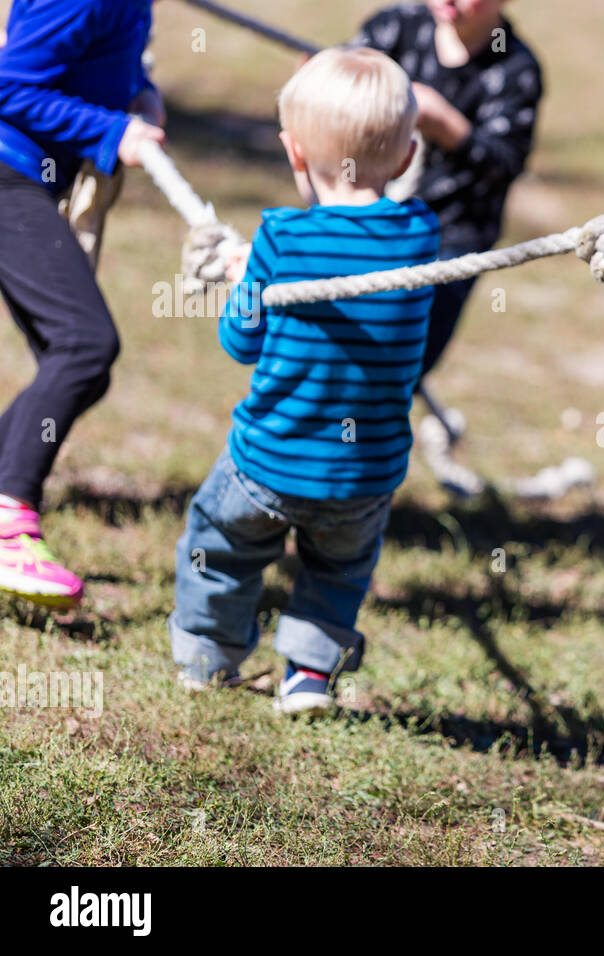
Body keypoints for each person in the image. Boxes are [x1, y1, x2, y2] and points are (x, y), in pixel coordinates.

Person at [168, 47, 442, 715]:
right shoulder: (420, 239)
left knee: (220, 545)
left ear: (294, 154)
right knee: (338, 571)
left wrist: (246, 276)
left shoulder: (282, 238)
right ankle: (308, 679)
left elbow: (241, 342)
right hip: (366, 474)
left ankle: (208, 658)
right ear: (407, 157)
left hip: (267, 461)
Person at [0, 0, 165, 608]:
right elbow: (7, 84)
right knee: (84, 345)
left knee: (76, 368)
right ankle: (9, 519)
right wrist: (111, 130)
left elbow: (101, 56)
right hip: (6, 173)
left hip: (28, 178)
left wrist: (140, 92)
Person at [354, 0, 542, 493]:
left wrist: (447, 127)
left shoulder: (514, 68)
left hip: (451, 242)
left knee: (398, 368)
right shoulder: (396, 27)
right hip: (368, 222)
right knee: (341, 353)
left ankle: (361, 494)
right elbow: (336, 92)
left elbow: (504, 162)